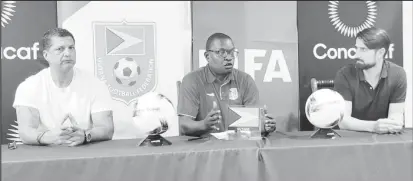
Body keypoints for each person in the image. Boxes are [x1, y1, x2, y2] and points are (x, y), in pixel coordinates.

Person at [13, 28, 114, 146]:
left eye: (71, 48)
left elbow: (107, 129)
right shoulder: (29, 86)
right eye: (60, 49)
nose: (67, 53)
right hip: (45, 153)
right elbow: (26, 132)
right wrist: (49, 138)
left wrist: (85, 135)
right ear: (46, 55)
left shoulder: (95, 84)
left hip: (85, 151)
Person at [177, 33, 276, 137]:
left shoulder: (245, 81)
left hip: (238, 147)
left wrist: (264, 126)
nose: (229, 58)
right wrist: (204, 124)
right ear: (207, 56)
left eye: (232, 52)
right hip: (205, 148)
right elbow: (184, 125)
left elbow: (252, 125)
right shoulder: (192, 80)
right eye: (221, 53)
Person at [334, 27, 406, 134]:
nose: (357, 54)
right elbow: (343, 121)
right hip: (351, 140)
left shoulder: (398, 74)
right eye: (357, 48)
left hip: (384, 141)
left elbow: (396, 116)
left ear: (380, 53)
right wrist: (373, 127)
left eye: (363, 49)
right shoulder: (345, 74)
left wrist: (395, 123)